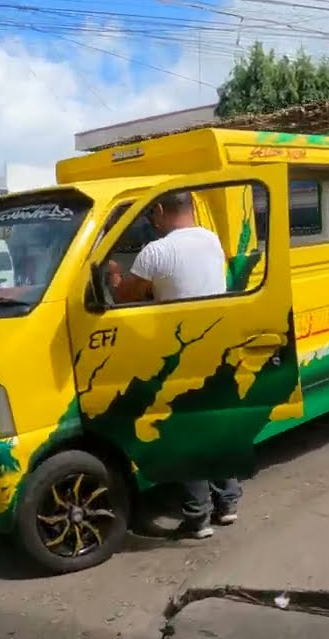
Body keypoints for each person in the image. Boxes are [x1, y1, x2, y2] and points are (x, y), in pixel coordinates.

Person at [112, 191, 240, 540]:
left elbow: (126, 298)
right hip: (216, 345)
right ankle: (228, 503)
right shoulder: (212, 240)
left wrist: (112, 279)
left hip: (179, 353)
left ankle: (198, 518)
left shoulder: (157, 251)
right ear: (192, 208)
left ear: (158, 212)